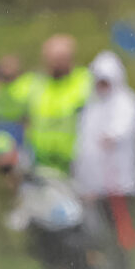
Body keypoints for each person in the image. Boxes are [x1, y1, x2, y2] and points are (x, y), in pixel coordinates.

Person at [73, 51, 135, 269]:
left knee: (121, 235)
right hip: (95, 187)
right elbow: (84, 143)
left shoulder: (126, 101)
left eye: (105, 81)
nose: (101, 86)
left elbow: (122, 129)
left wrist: (112, 136)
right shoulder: (93, 105)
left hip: (119, 185)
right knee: (99, 238)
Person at [26, 34, 93, 173]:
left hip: (76, 164)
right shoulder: (36, 83)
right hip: (40, 163)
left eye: (61, 58)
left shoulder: (84, 80)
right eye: (52, 58)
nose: (56, 63)